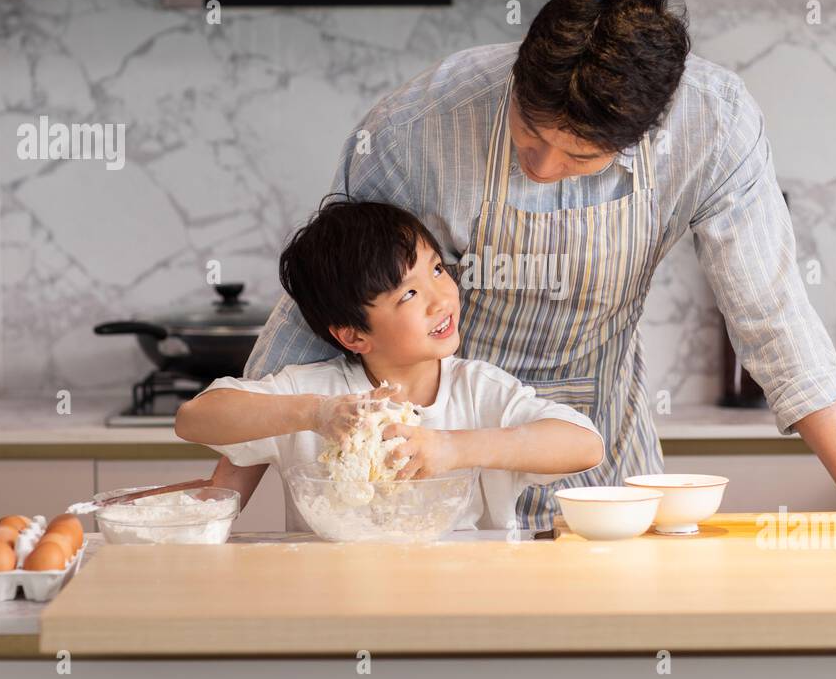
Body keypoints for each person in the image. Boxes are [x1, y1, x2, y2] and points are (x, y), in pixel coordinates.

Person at [211, 0, 836, 532]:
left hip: (602, 467)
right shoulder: (419, 125)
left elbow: (774, 319)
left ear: (648, 131)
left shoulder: (712, 127)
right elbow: (314, 313)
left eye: (578, 158)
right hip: (432, 492)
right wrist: (214, 511)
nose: (542, 167)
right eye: (527, 136)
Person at [175, 198, 604, 531]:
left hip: (466, 597)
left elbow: (584, 445)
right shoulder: (320, 395)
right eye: (409, 295)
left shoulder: (478, 391)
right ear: (353, 335)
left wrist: (453, 448)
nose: (441, 298)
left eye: (437, 270)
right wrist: (314, 413)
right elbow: (194, 419)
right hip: (339, 600)